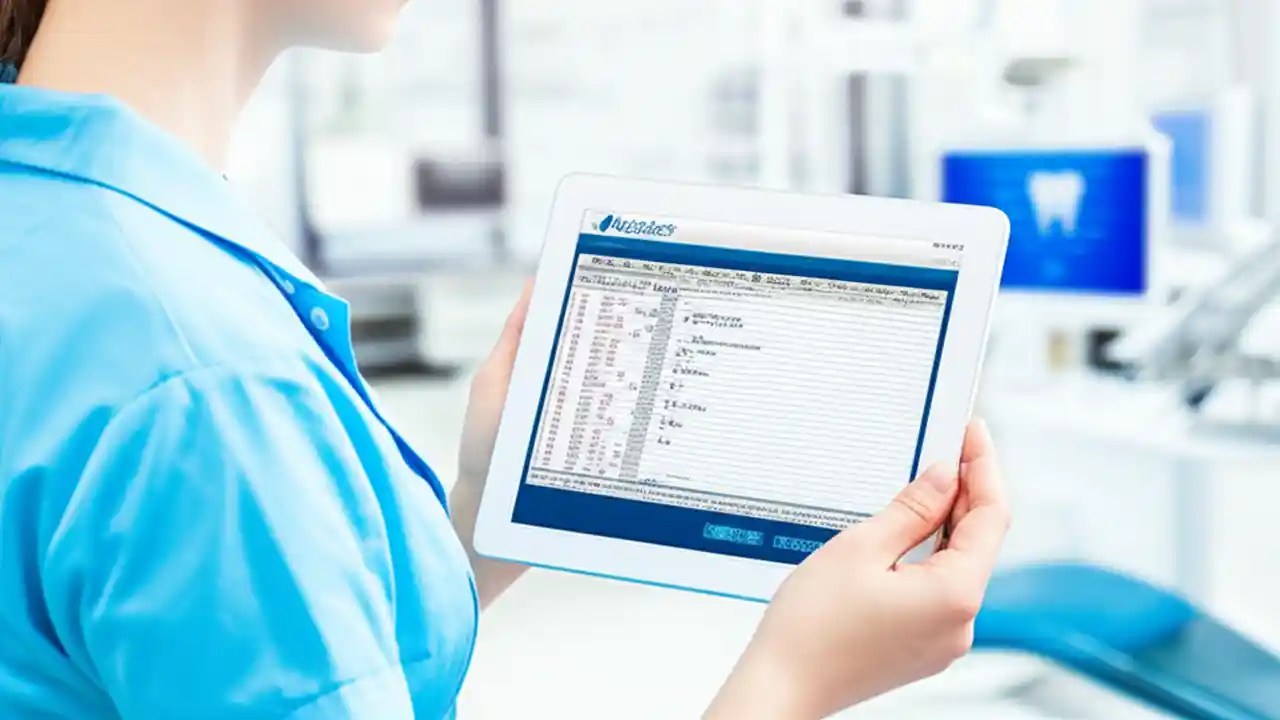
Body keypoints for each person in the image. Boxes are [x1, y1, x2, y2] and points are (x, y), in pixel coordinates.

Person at [0, 1, 1012, 717]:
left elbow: (210, 640)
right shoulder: (205, 381)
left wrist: (475, 528)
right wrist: (795, 680)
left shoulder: (51, 227)